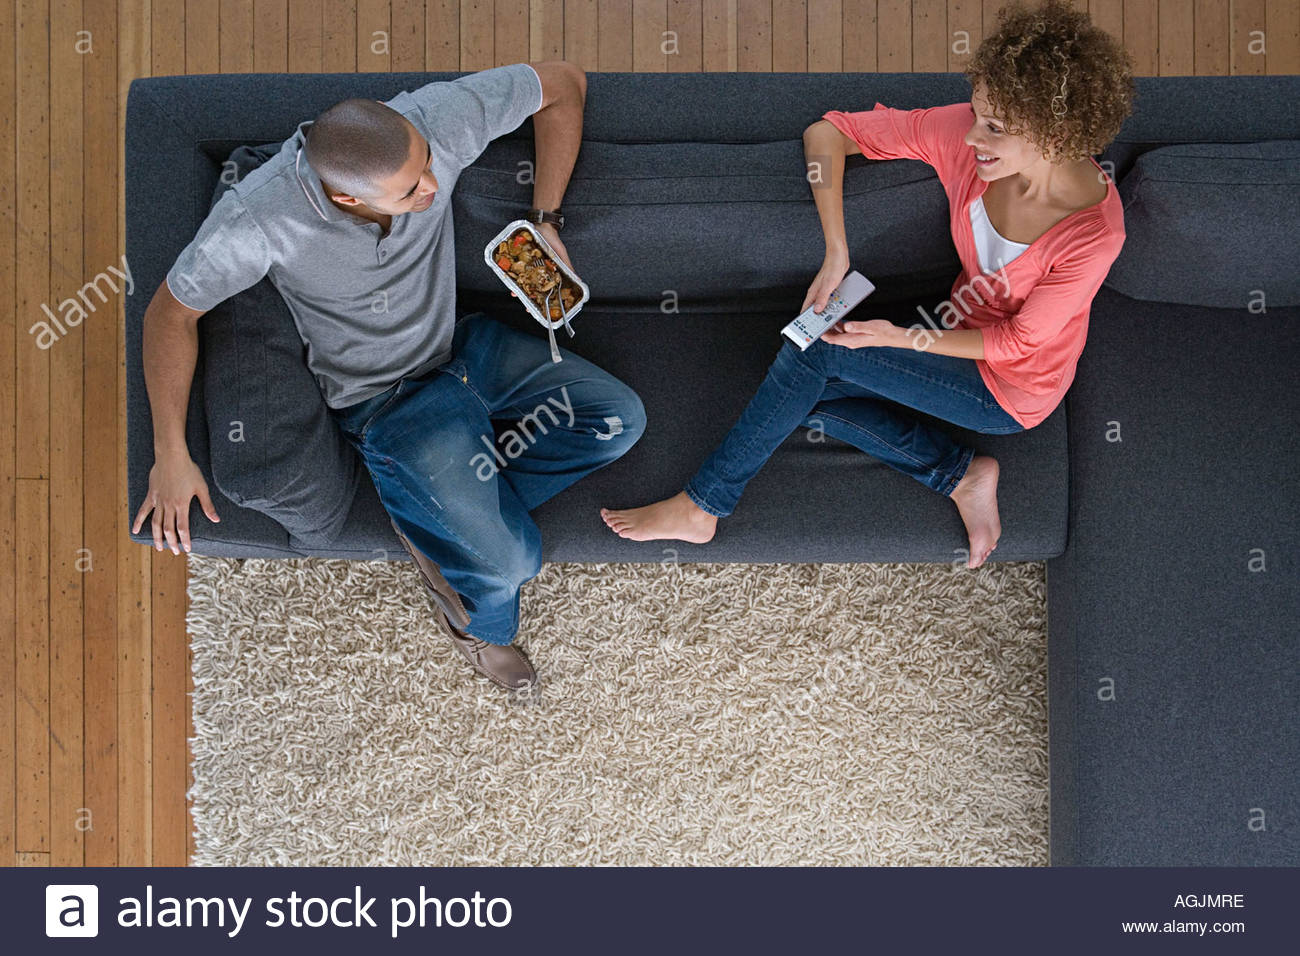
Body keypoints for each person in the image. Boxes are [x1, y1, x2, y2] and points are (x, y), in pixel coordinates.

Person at [132, 62, 644, 690]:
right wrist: (170, 452)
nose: (433, 186)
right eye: (410, 190)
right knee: (517, 559)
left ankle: (437, 521)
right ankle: (480, 630)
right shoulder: (258, 221)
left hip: (463, 350)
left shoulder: (435, 121)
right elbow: (168, 315)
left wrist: (546, 218)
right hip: (386, 405)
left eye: (427, 163)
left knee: (618, 420)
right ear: (348, 198)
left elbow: (563, 83)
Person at [601, 0, 1132, 569]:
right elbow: (828, 134)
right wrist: (836, 251)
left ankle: (704, 505)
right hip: (954, 326)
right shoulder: (965, 138)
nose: (973, 134)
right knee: (795, 400)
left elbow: (1018, 343)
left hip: (1011, 387)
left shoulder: (1093, 234)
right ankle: (959, 475)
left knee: (811, 358)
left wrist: (896, 338)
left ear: (1055, 137)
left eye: (995, 128)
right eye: (978, 112)